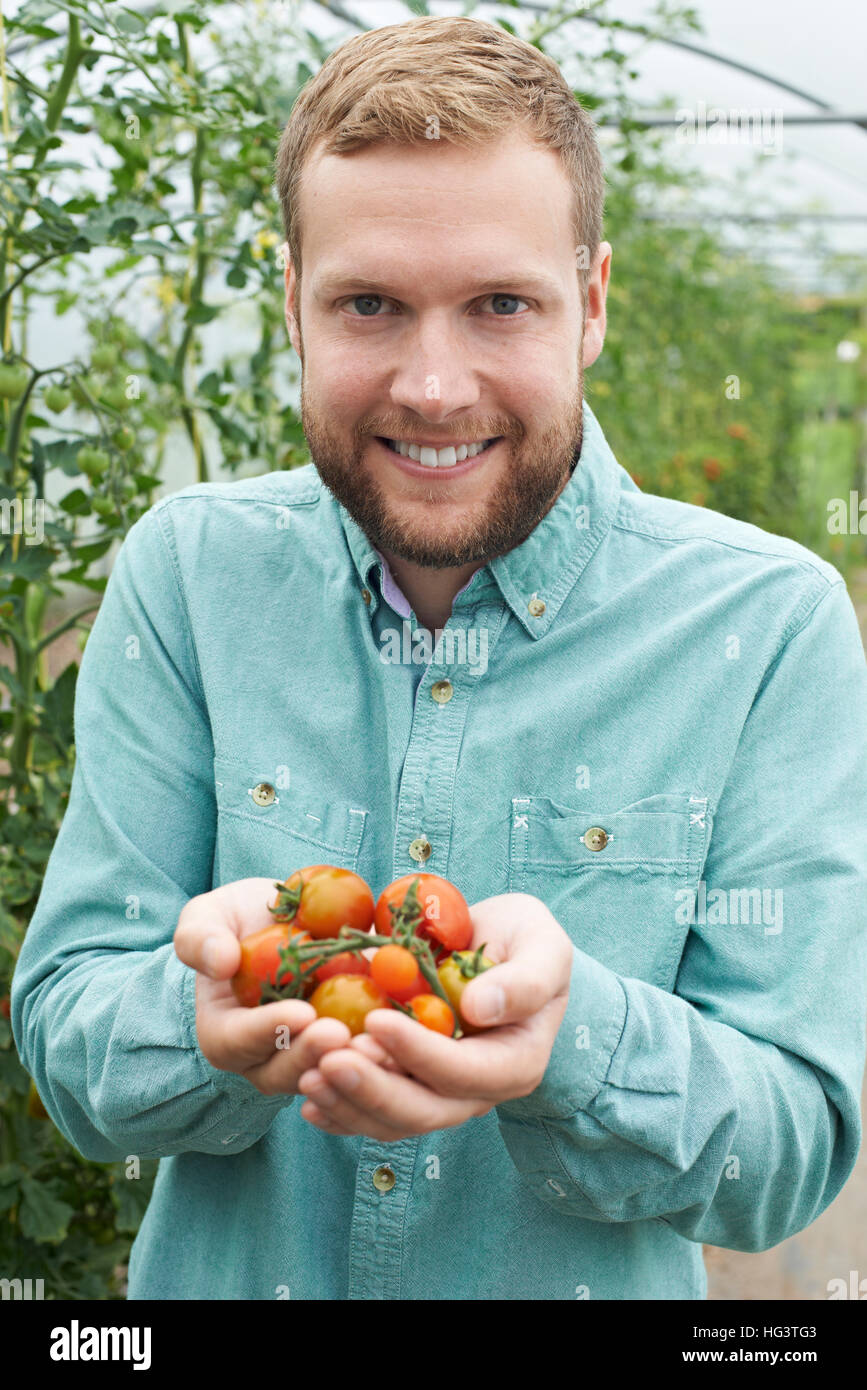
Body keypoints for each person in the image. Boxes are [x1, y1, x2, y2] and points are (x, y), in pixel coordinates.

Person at [11, 14, 867, 1302]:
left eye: (500, 304)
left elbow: (792, 1152)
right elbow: (66, 1031)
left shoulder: (766, 627)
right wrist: (196, 1025)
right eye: (369, 304)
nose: (431, 384)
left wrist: (572, 1043)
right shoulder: (189, 579)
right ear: (293, 299)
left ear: (590, 304)